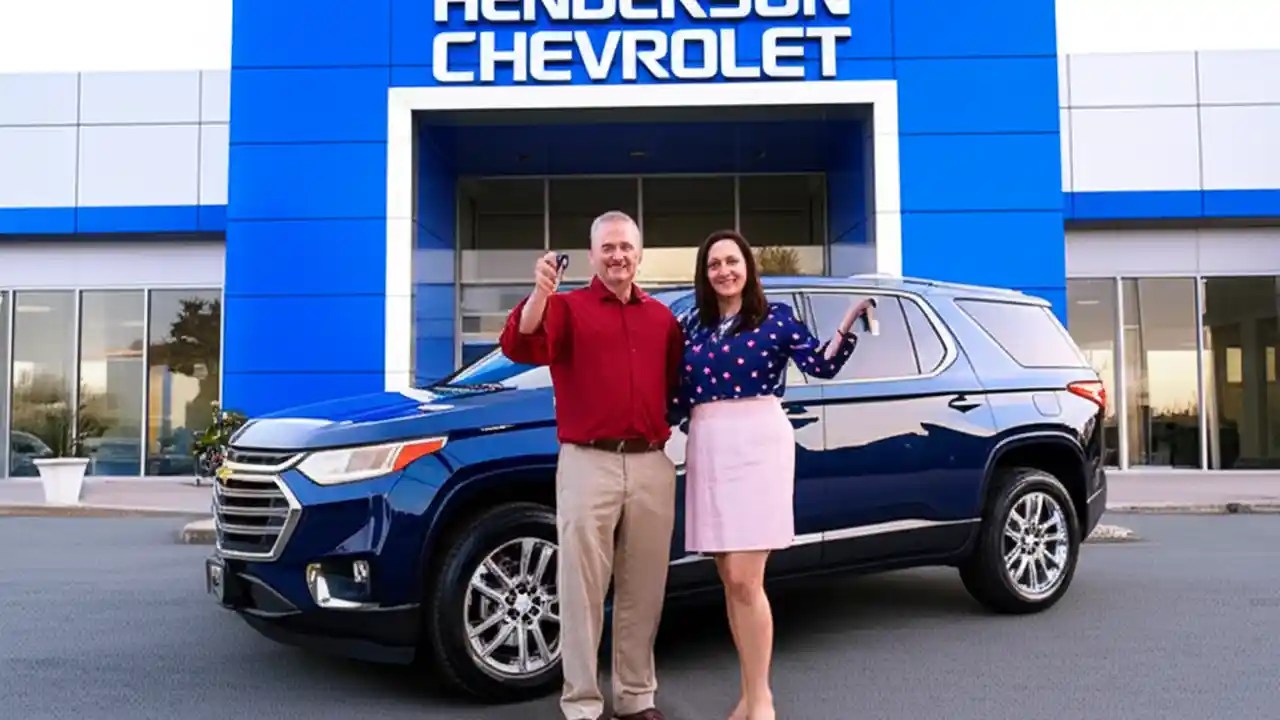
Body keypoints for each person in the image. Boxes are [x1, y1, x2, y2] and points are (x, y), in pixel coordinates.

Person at [669, 229, 872, 720]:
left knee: (745, 577)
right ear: (704, 274)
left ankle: (762, 700)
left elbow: (820, 365)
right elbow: (676, 392)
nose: (724, 271)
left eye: (732, 261)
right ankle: (747, 693)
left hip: (758, 444)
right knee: (728, 577)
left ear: (748, 267)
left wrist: (847, 323)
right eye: (714, 264)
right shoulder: (692, 324)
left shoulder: (775, 317)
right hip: (708, 445)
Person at [498, 210, 683, 720]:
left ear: (639, 254)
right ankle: (581, 704)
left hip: (650, 463)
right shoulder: (566, 308)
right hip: (588, 463)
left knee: (644, 590)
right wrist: (541, 291)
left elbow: (675, 386)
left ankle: (636, 697)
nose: (618, 256)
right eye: (608, 248)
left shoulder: (662, 319)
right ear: (593, 255)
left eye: (625, 247)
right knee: (581, 590)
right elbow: (517, 343)